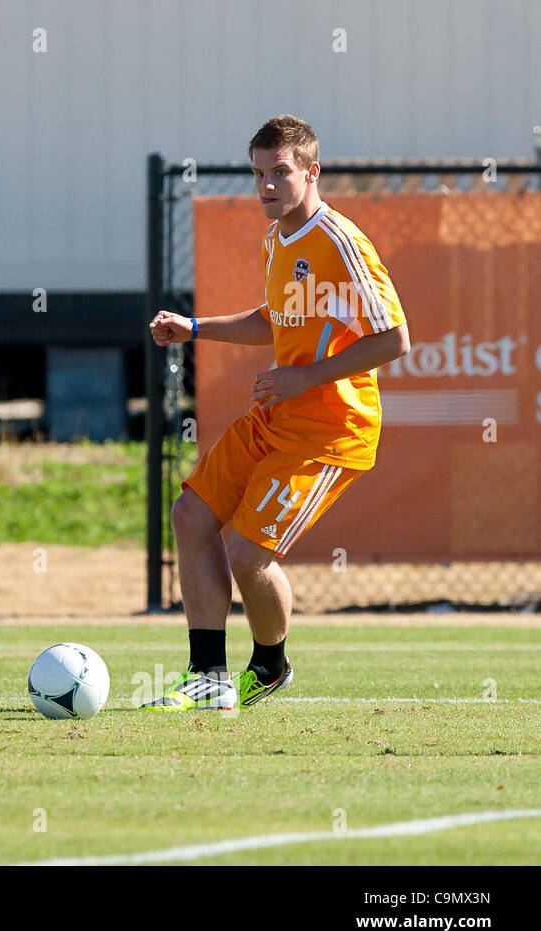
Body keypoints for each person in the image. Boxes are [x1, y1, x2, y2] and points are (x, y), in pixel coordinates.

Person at [144, 114, 410, 710]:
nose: (266, 185)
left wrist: (306, 377)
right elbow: (273, 319)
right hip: (275, 418)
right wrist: (194, 327)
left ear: (312, 171)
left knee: (246, 551)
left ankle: (268, 667)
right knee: (190, 516)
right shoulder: (277, 239)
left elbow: (395, 339)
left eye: (280, 173)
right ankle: (209, 677)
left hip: (329, 430)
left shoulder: (340, 241)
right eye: (258, 174)